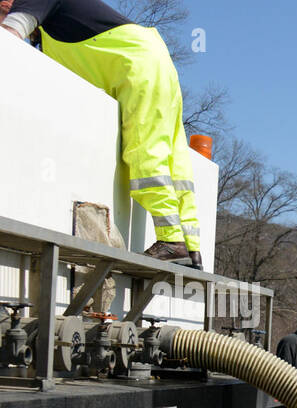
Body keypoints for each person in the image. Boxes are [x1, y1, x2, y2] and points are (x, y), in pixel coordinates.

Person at [2, 0, 204, 267]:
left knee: (145, 153)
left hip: (137, 68)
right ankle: (191, 249)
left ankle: (171, 241)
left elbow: (7, 39)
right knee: (175, 161)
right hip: (150, 62)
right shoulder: (53, 31)